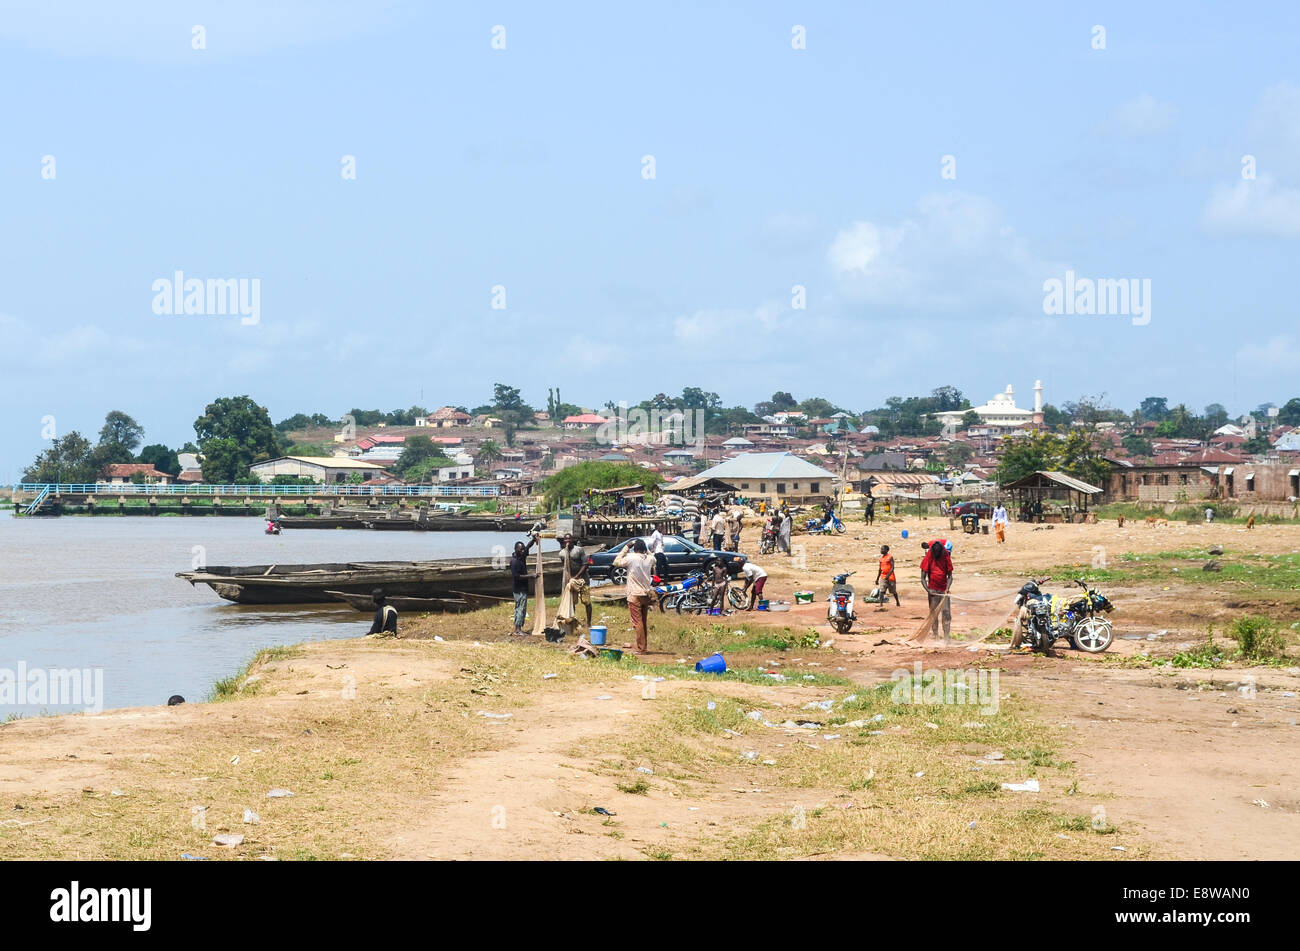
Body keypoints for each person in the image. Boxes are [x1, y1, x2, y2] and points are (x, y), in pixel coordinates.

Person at [613, 538, 656, 654]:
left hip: (634, 594)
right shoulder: (650, 559)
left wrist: (626, 547)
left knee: (637, 622)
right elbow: (654, 558)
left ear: (634, 549)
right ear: (644, 549)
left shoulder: (631, 558)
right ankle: (643, 646)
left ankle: (641, 649)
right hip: (646, 594)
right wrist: (647, 551)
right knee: (643, 621)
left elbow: (616, 562)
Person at [556, 532, 591, 631]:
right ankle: (572, 621)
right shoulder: (562, 553)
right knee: (572, 602)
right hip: (571, 580)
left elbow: (585, 564)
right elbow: (565, 568)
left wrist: (577, 576)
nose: (567, 541)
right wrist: (568, 578)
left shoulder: (579, 550)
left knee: (586, 601)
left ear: (572, 540)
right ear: (564, 541)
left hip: (583, 579)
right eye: (565, 540)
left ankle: (589, 622)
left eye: (569, 539)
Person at [919, 539, 953, 641]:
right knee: (933, 614)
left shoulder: (945, 557)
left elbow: (950, 576)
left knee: (946, 613)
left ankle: (946, 637)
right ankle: (936, 636)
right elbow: (922, 578)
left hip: (944, 591)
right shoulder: (928, 558)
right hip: (933, 591)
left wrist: (947, 588)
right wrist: (928, 590)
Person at [508, 532, 539, 636]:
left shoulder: (521, 556)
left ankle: (517, 628)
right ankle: (518, 629)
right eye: (520, 549)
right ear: (515, 549)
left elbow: (528, 546)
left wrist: (534, 540)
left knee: (519, 608)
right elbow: (517, 576)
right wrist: (531, 576)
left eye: (522, 549)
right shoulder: (514, 561)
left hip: (522, 587)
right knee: (521, 608)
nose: (522, 551)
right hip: (519, 589)